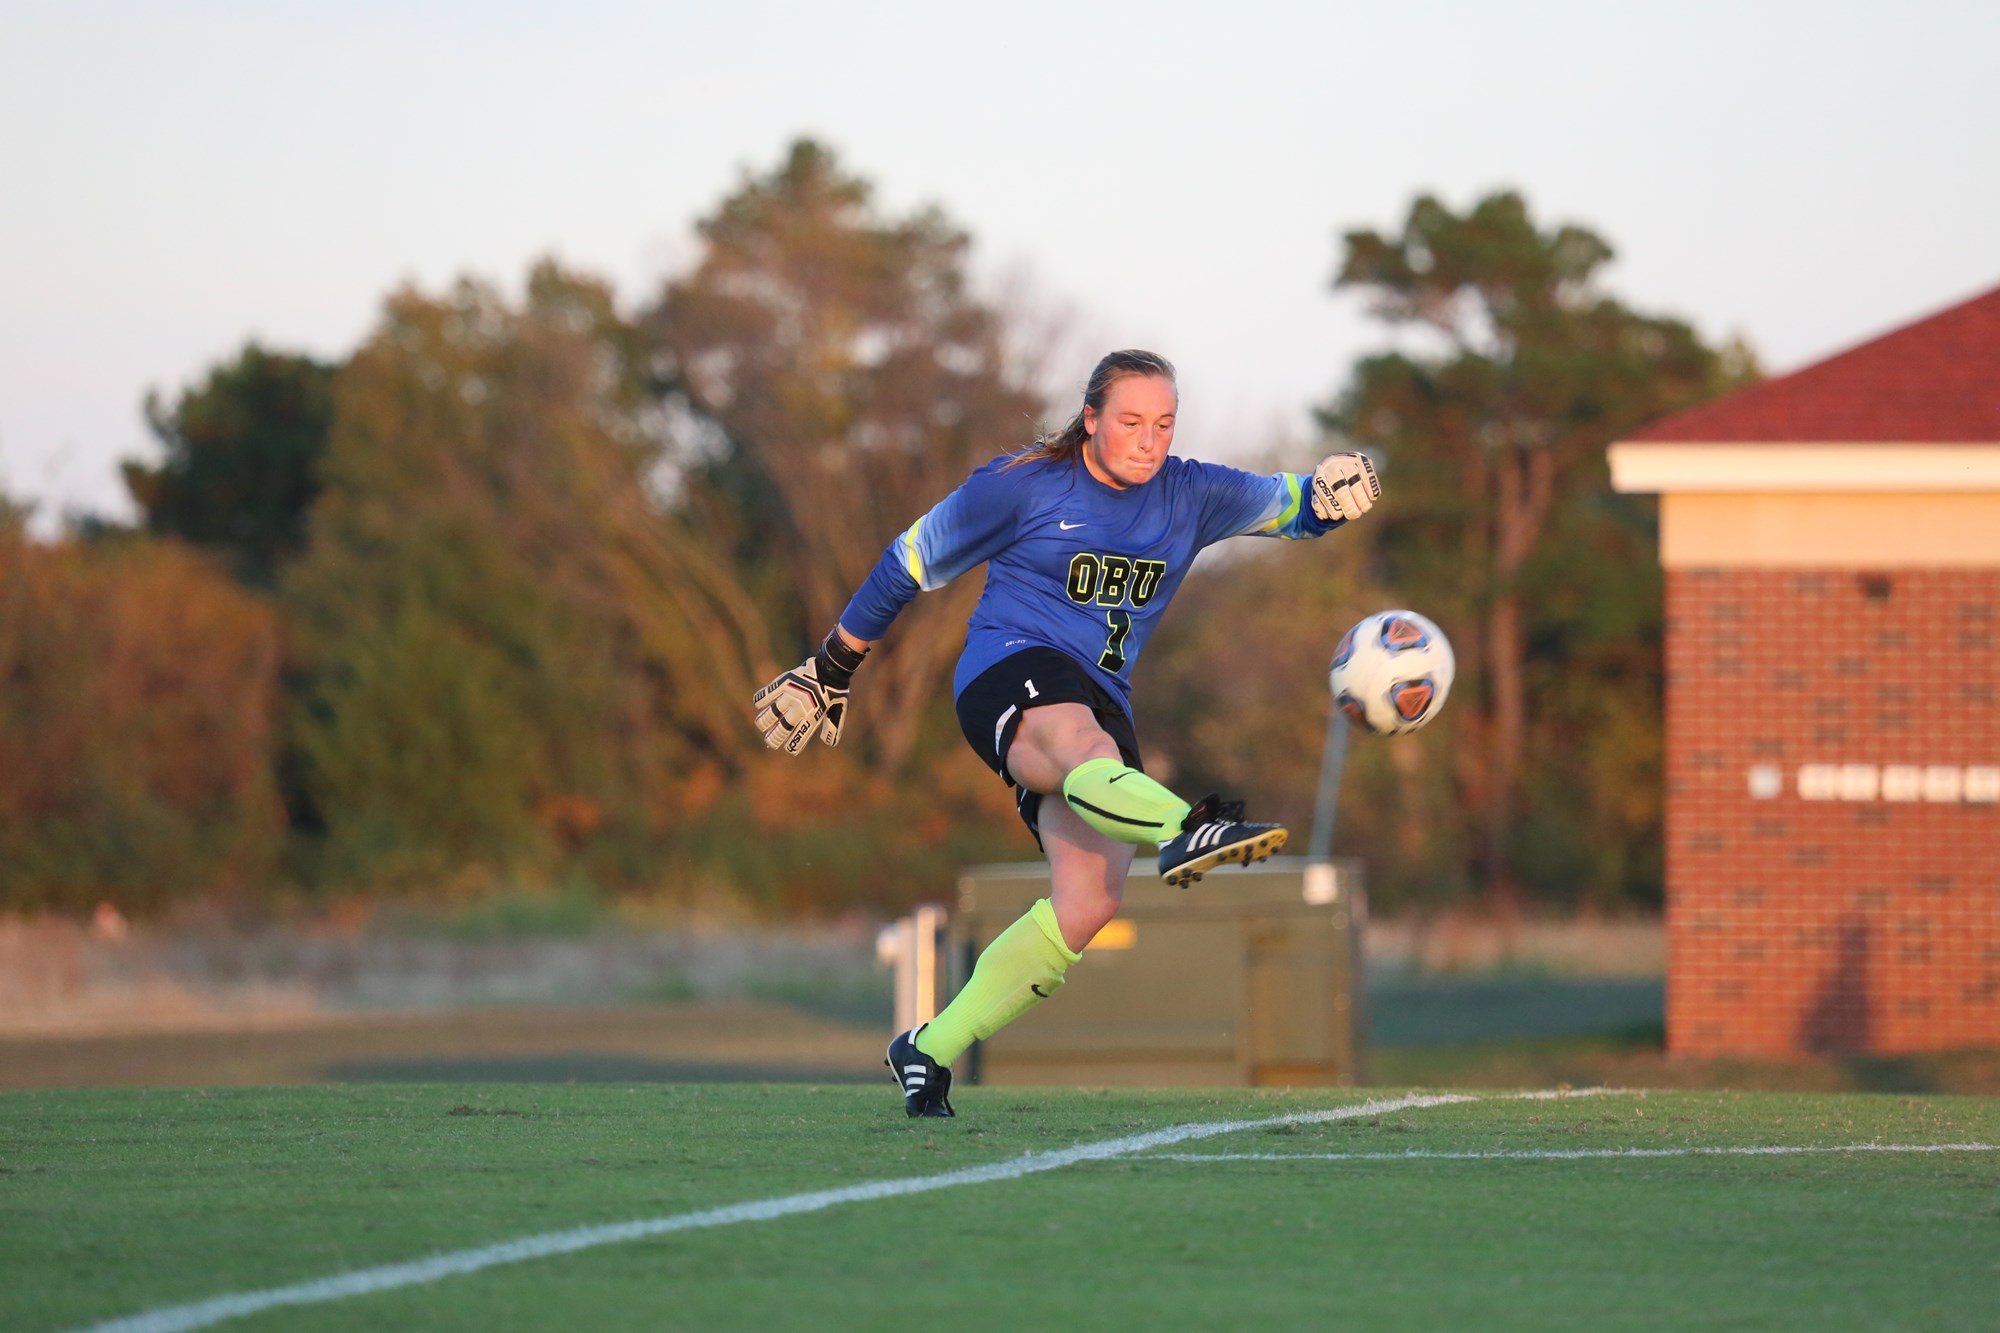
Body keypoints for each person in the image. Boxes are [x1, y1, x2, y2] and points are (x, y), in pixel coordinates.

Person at [751, 349, 1379, 1117]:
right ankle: (1187, 826)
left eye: (1164, 424)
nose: (1149, 440)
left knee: (1088, 901)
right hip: (1007, 668)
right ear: (1089, 420)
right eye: (1130, 422)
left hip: (1102, 696)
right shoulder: (1021, 485)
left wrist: (1334, 492)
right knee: (1083, 747)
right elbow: (907, 561)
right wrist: (829, 669)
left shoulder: (1192, 492)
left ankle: (927, 1048)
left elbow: (1295, 507)